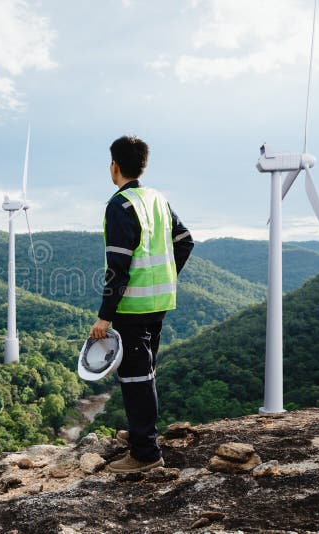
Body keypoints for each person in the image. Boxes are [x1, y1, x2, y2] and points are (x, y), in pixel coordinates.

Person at [89, 135, 194, 473]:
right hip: (160, 302)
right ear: (143, 165)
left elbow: (117, 268)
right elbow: (185, 241)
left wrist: (104, 317)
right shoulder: (157, 199)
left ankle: (145, 454)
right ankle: (140, 435)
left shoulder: (119, 206)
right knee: (145, 373)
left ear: (114, 166)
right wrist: (165, 275)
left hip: (133, 307)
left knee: (136, 378)